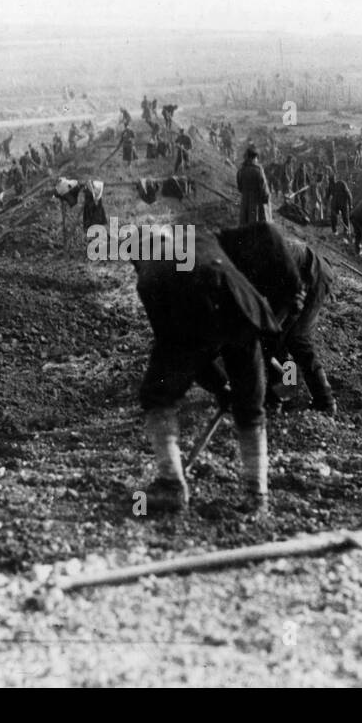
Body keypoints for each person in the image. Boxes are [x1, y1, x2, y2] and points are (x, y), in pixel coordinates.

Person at [133, 230, 281, 514]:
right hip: (242, 306)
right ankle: (257, 494)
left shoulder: (150, 275)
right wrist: (226, 388)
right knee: (250, 406)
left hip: (199, 305)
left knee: (156, 397)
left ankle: (171, 486)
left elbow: (174, 344)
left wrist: (217, 385)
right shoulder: (200, 239)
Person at [218, 223, 336, 414]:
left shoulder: (251, 259)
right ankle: (279, 397)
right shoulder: (235, 262)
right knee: (275, 341)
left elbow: (287, 299)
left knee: (296, 338)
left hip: (312, 275)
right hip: (288, 280)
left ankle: (325, 402)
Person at [237, 145, 272, 224]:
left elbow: (239, 188)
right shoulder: (258, 170)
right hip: (256, 202)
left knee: (245, 222)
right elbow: (264, 189)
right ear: (254, 157)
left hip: (245, 202)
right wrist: (266, 199)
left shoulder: (241, 170)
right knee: (256, 222)